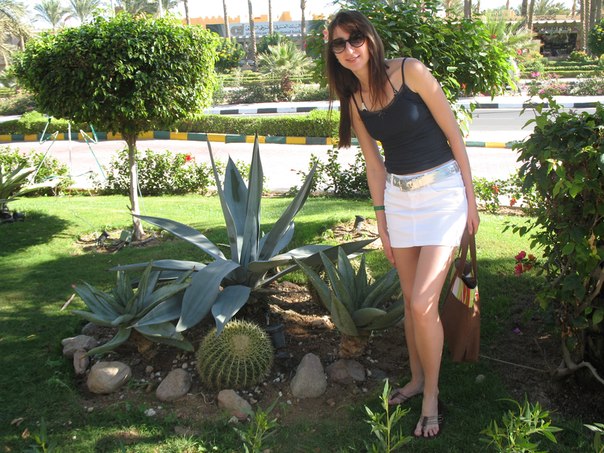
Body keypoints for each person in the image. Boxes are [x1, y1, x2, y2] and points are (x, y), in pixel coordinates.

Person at [325, 10, 480, 438]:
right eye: (339, 44)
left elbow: (454, 135)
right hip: (399, 201)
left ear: (370, 38)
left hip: (443, 195)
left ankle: (431, 395)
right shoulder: (354, 100)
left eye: (355, 38)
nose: (349, 49)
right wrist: (382, 221)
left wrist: (471, 199)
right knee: (412, 302)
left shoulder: (411, 72)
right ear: (333, 52)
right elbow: (374, 165)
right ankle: (415, 379)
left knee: (422, 303)